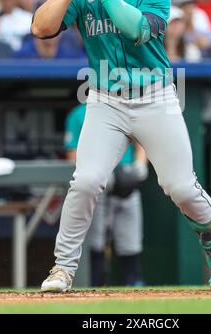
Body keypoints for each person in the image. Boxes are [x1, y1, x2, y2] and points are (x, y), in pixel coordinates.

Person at [33, 0, 211, 292]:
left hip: (154, 98)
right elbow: (41, 28)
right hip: (105, 100)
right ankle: (62, 268)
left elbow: (137, 31)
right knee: (86, 181)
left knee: (180, 187)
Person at [64, 103, 148, 286]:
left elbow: (143, 142)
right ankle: (96, 285)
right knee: (96, 241)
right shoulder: (79, 114)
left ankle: (134, 284)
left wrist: (139, 166)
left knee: (130, 241)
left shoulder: (128, 109)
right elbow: (72, 153)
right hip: (98, 186)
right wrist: (95, 172)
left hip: (127, 183)